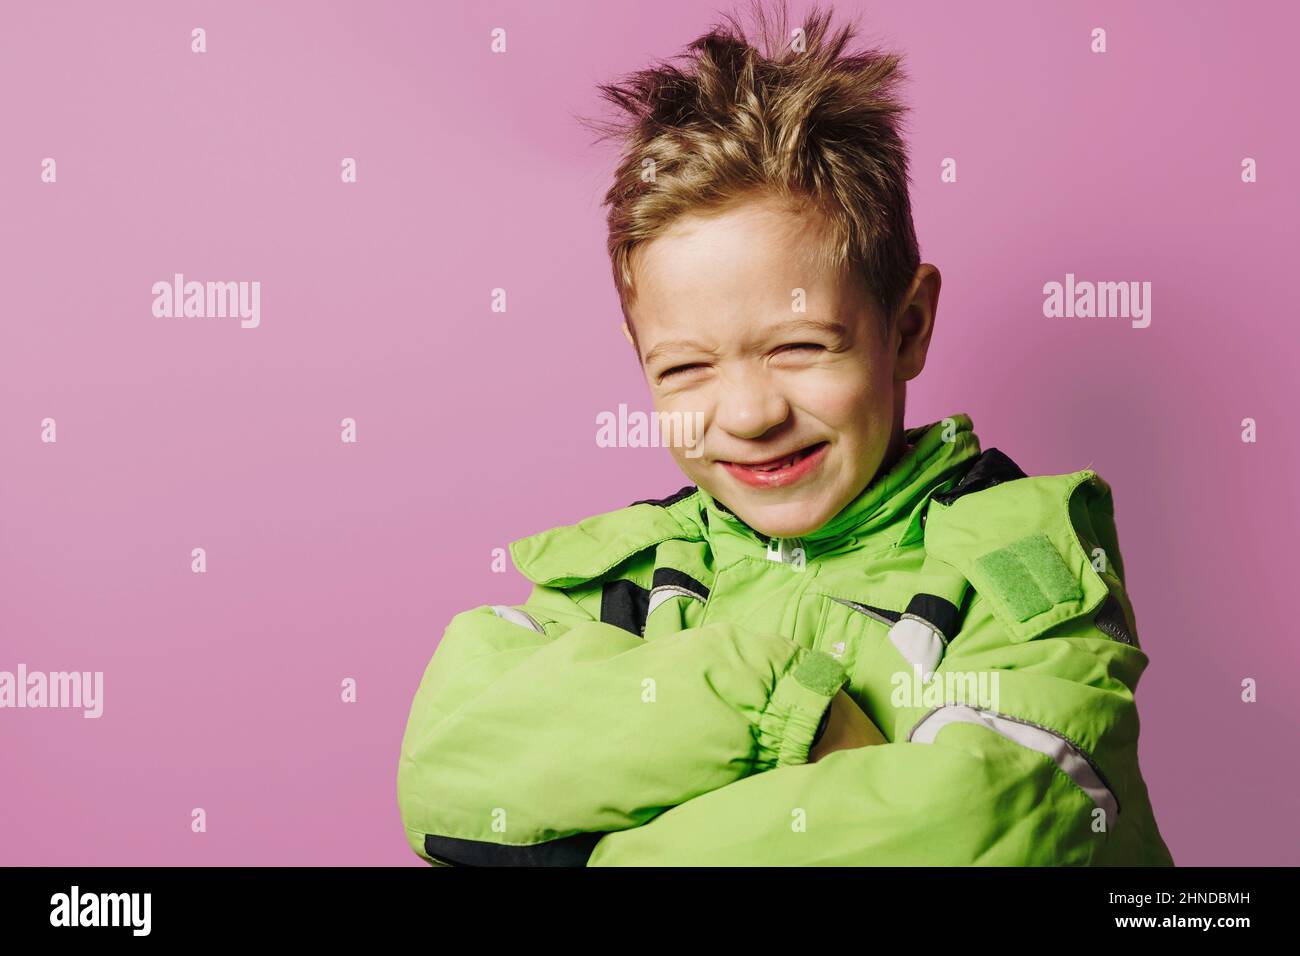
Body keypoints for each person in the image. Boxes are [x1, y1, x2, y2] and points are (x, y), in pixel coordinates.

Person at [396, 1, 1174, 866]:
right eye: (685, 368)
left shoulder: (1018, 557)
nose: (750, 415)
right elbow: (449, 777)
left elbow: (993, 826)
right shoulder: (627, 578)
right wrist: (779, 709)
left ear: (908, 325)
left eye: (800, 347)